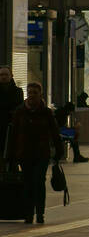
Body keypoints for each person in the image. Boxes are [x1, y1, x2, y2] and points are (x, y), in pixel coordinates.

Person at [6, 81, 61, 224]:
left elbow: (54, 132)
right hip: (24, 153)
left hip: (41, 153)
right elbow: (14, 134)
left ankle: (40, 212)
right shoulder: (20, 112)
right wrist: (11, 154)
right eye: (29, 92)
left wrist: (58, 151)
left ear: (40, 94)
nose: (31, 95)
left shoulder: (46, 112)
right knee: (27, 183)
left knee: (39, 181)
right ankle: (28, 213)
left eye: (34, 93)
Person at [0, 66, 24, 174]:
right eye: (1, 75)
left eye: (6, 74)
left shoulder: (17, 91)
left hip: (12, 128)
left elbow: (18, 107)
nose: (3, 77)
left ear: (11, 76)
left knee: (12, 157)